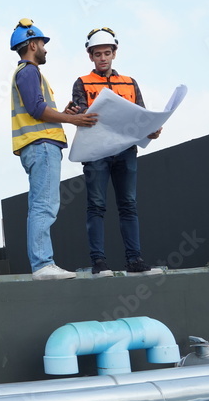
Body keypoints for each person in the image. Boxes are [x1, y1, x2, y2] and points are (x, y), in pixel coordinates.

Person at [70, 27, 163, 277]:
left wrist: (152, 130)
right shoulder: (82, 83)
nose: (102, 58)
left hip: (125, 151)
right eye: (98, 54)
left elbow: (142, 115)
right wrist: (77, 113)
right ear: (90, 56)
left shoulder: (130, 83)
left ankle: (135, 259)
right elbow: (81, 115)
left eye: (107, 53)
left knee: (128, 205)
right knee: (96, 206)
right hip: (96, 152)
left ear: (115, 53)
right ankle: (99, 262)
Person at [10, 18, 98, 280]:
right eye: (42, 44)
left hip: (37, 147)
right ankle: (42, 264)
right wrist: (73, 119)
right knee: (43, 206)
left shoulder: (28, 73)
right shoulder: (29, 71)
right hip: (41, 147)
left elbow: (38, 110)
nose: (46, 49)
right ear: (32, 44)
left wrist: (63, 113)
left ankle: (42, 264)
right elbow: (37, 109)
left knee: (42, 205)